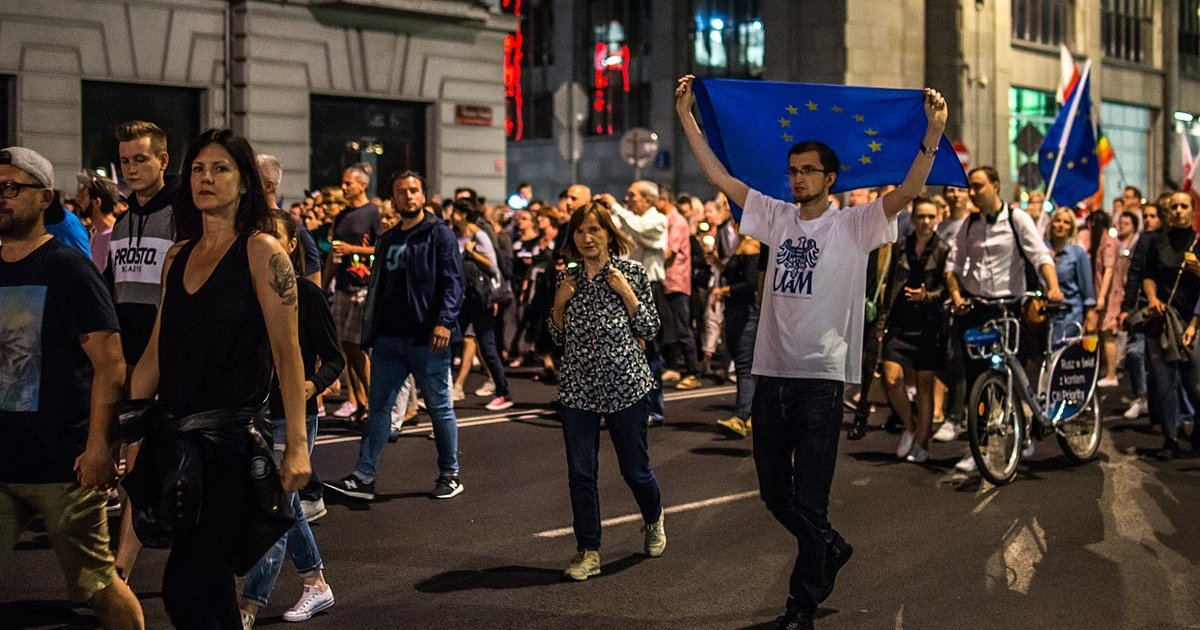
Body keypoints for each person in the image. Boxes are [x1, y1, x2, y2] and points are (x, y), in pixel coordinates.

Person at [677, 74, 948, 630]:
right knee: (775, 494)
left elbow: (908, 191)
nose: (797, 178)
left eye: (808, 171)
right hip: (772, 375)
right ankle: (830, 545)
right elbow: (721, 178)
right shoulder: (774, 216)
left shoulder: (855, 224)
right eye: (793, 170)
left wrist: (933, 135)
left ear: (831, 178)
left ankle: (801, 603)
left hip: (822, 380)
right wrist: (687, 119)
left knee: (810, 496)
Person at [128, 129, 311, 628]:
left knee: (187, 582)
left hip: (232, 445)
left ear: (245, 182)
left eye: (221, 169)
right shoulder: (176, 256)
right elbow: (153, 355)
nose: (206, 178)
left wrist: (297, 444)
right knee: (202, 590)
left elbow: (288, 354)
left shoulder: (262, 250)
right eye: (198, 169)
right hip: (177, 443)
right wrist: (121, 435)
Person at [0, 147, 145, 629]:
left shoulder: (67, 268)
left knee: (96, 587)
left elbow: (111, 364)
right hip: (2, 456)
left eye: (11, 188)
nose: (1, 197)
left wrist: (100, 446)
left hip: (62, 462)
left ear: (45, 198)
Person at [324, 171, 466, 501]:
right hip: (389, 339)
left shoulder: (438, 234)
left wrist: (444, 322)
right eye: (401, 192)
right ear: (393, 197)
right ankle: (363, 476)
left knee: (439, 407)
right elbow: (378, 289)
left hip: (427, 339)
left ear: (424, 194)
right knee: (378, 409)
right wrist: (371, 331)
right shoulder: (388, 240)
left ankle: (450, 474)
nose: (408, 196)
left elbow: (453, 282)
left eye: (414, 190)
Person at [549, 201, 665, 581]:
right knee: (581, 472)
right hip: (578, 388)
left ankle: (653, 518)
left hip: (626, 386)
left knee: (635, 470)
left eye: (594, 230)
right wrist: (558, 305)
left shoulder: (630, 272)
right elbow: (556, 336)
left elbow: (650, 329)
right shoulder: (566, 278)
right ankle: (588, 550)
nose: (586, 238)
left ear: (608, 234)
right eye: (580, 231)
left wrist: (627, 295)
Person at [238, 210, 342, 628]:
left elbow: (334, 358)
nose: (265, 246)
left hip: (294, 418)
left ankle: (248, 606)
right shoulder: (246, 293)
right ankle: (316, 583)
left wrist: (310, 387)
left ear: (293, 246)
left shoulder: (305, 293)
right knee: (287, 507)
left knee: (277, 505)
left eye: (274, 238)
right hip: (254, 414)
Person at [945, 166, 1063, 473]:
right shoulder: (969, 223)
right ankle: (979, 445)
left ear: (995, 185)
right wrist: (957, 296)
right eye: (970, 187)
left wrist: (1053, 288)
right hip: (975, 309)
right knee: (976, 380)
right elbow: (953, 264)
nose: (972, 192)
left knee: (1013, 371)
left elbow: (1041, 256)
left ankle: (1022, 427)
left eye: (978, 186)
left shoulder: (1016, 219)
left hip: (1008, 309)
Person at [108, 119, 178, 581]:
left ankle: (120, 571)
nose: (131, 169)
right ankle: (119, 570)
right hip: (125, 359)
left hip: (166, 359)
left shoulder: (182, 215)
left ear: (163, 161)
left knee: (142, 467)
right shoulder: (119, 223)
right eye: (125, 160)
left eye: (141, 159)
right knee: (131, 467)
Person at [878, 198, 951, 463]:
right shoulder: (900, 246)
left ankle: (922, 442)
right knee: (891, 377)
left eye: (931, 217)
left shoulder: (943, 249)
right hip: (900, 322)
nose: (925, 222)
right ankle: (909, 427)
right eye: (921, 216)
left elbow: (947, 288)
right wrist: (882, 323)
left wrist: (927, 296)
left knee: (924, 385)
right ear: (913, 217)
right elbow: (889, 286)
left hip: (929, 324)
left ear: (938, 218)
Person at [1140, 192, 1200, 461]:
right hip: (1163, 320)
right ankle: (1170, 437)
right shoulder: (1157, 243)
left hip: (1193, 321)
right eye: (1174, 206)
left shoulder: (1199, 243)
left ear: (1192, 211)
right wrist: (1152, 299)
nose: (1178, 211)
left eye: (1183, 206)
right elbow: (1148, 275)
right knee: (1165, 382)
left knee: (1195, 382)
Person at [327, 166, 381, 423]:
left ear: (362, 185)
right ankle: (359, 402)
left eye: (349, 183)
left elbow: (381, 248)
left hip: (363, 286)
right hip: (343, 286)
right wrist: (322, 284)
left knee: (358, 346)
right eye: (343, 182)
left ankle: (373, 403)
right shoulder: (341, 215)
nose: (344, 187)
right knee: (345, 347)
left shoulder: (373, 213)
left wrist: (352, 249)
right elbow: (332, 253)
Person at [713, 226, 761, 438]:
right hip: (734, 311)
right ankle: (745, 415)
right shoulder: (741, 245)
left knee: (744, 365)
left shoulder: (750, 247)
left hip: (744, 312)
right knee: (742, 364)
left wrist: (725, 291)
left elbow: (750, 284)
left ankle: (742, 417)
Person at [1046, 207, 1097, 346]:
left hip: (1070, 315)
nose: (1061, 225)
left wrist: (1091, 313)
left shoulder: (1077, 253)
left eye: (1066, 222)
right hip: (1045, 316)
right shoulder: (1042, 251)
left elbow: (1086, 287)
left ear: (1071, 228)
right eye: (1057, 221)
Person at [76, 169, 122, 273]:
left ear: (97, 202)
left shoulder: (118, 235)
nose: (77, 199)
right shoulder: (95, 233)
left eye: (83, 197)